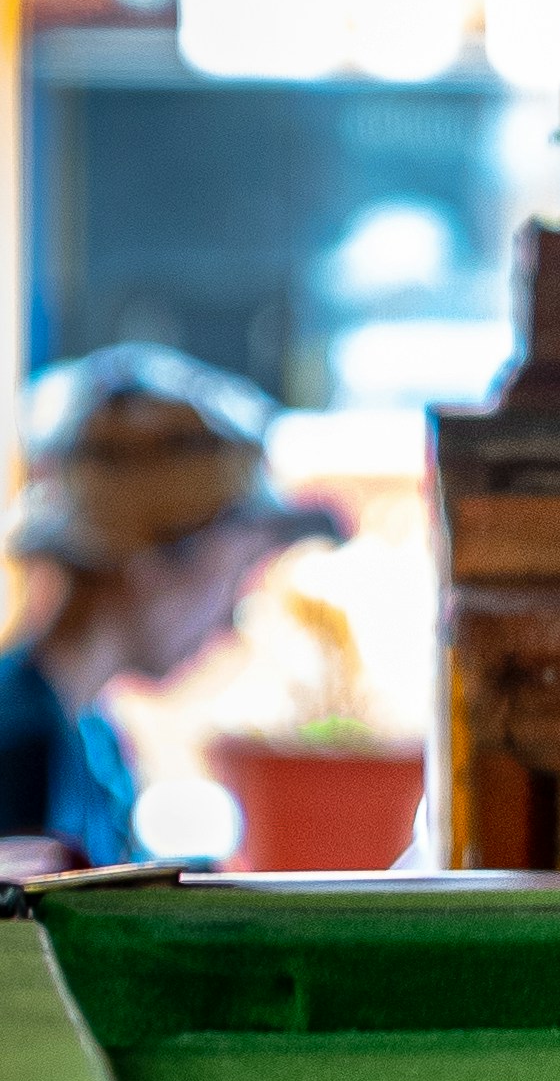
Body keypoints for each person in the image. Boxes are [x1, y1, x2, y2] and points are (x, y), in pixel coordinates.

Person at [0, 354, 341, 884]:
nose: (231, 620)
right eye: (233, 574)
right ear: (149, 560)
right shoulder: (19, 750)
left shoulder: (88, 733)